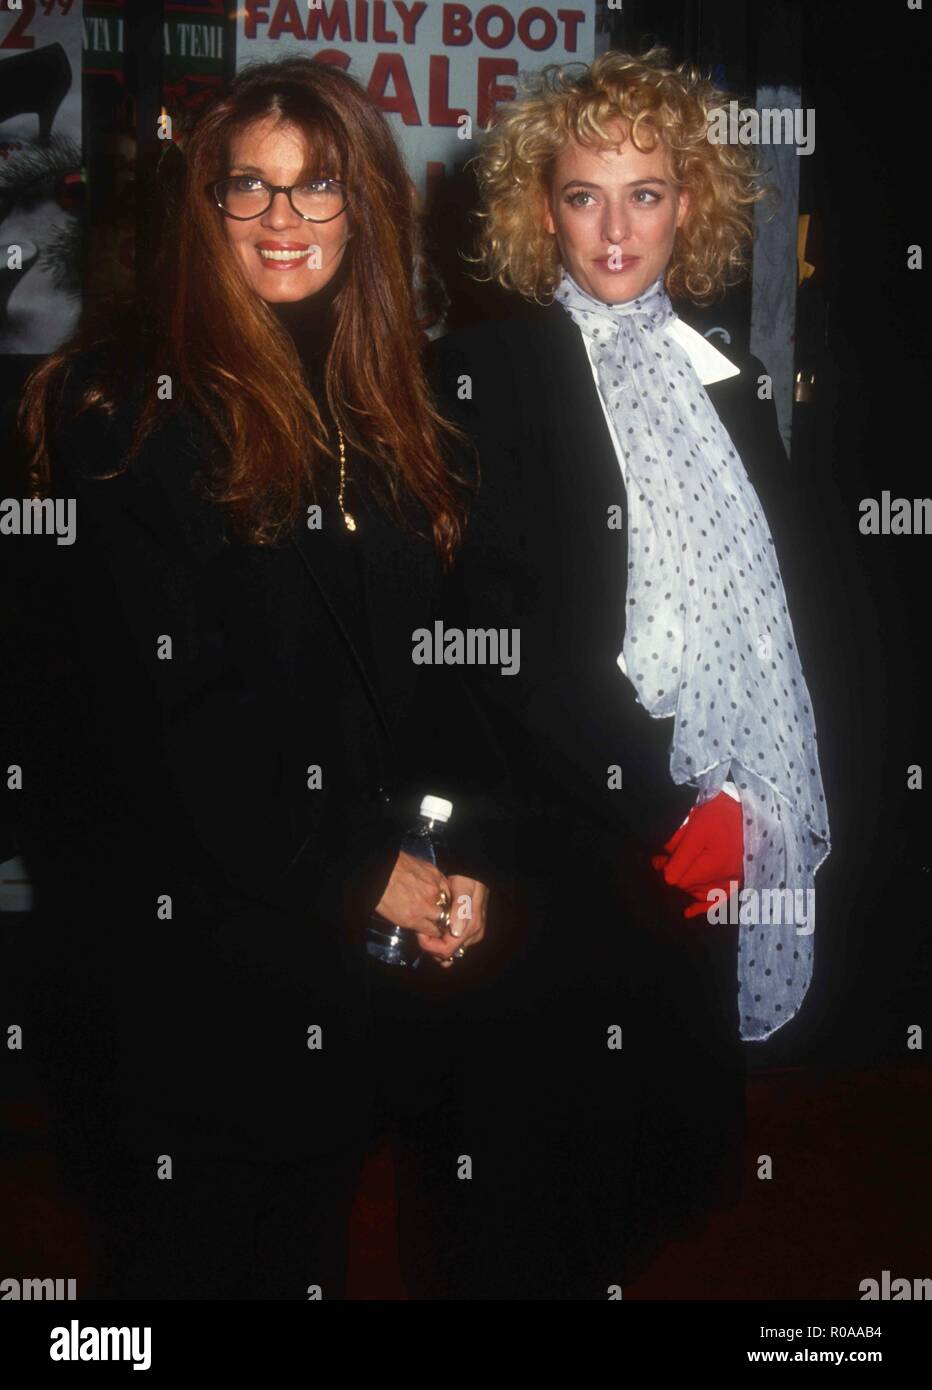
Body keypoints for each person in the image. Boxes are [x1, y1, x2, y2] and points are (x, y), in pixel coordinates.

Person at [3, 56, 498, 1300]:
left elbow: (426, 675)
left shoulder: (391, 405)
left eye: (316, 187)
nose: (283, 220)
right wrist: (356, 868)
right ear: (205, 208)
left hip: (335, 971)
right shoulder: (124, 406)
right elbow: (162, 715)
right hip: (185, 975)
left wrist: (446, 861)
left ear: (363, 208)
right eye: (249, 189)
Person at [426, 47, 830, 1298]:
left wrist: (745, 808)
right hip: (565, 840)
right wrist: (672, 807)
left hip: (703, 846)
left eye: (644, 192)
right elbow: (506, 643)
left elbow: (778, 621)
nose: (614, 226)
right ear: (537, 208)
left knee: (649, 1175)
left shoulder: (729, 383)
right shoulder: (491, 373)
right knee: (534, 1190)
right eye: (583, 193)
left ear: (687, 204)